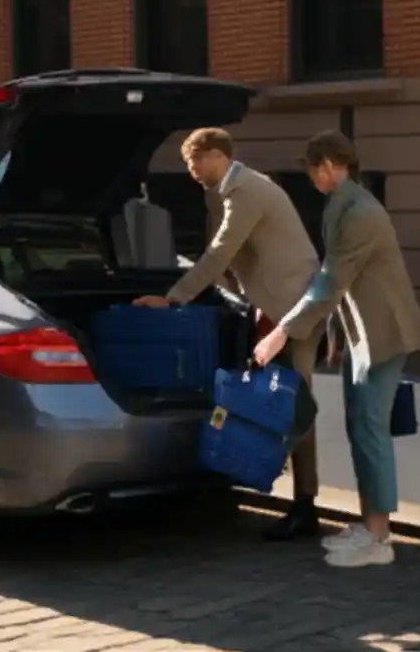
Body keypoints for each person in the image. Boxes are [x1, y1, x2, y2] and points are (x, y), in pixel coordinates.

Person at [132, 127, 326, 542]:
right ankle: (284, 489)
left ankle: (305, 505)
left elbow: (221, 249)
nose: (191, 171)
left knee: (292, 400)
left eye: (194, 162)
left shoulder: (248, 190)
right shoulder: (226, 191)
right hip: (271, 304)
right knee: (278, 399)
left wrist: (174, 298)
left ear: (217, 155)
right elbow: (229, 259)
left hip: (291, 308)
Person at [253, 130, 420, 568]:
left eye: (312, 169)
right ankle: (369, 524)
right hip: (361, 336)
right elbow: (342, 284)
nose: (312, 177)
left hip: (385, 335)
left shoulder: (361, 213)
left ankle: (378, 538)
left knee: (370, 431)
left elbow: (330, 282)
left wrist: (282, 333)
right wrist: (335, 334)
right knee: (359, 428)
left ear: (328, 166)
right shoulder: (344, 206)